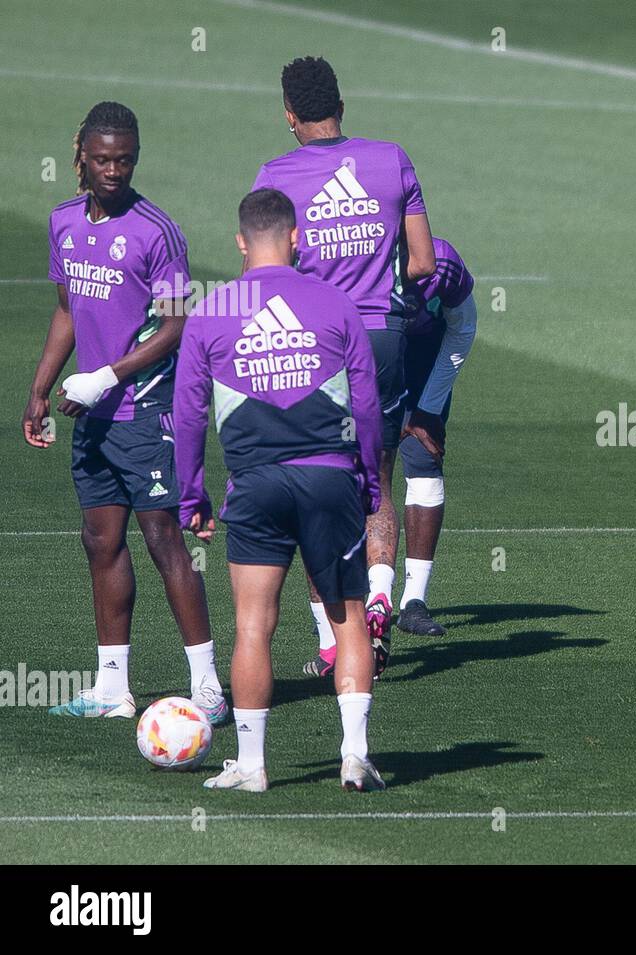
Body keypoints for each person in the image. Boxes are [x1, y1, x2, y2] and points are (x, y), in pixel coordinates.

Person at [175, 188, 386, 791]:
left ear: (241, 241)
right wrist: (369, 481)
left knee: (251, 624)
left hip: (255, 486)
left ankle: (252, 765)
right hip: (329, 481)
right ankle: (354, 755)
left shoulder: (213, 309)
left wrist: (193, 497)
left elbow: (188, 415)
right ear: (296, 238)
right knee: (347, 619)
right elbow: (366, 406)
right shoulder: (336, 302)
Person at [27, 101, 225, 723]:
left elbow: (175, 325)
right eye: (105, 159)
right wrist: (41, 387)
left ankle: (209, 689)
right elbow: (66, 309)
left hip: (144, 411)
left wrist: (105, 377)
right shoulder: (63, 222)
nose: (116, 170)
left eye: (127, 159)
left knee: (164, 538)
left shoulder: (155, 231)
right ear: (81, 155)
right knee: (100, 541)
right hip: (93, 416)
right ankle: (112, 690)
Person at [250, 56, 435, 678]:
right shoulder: (391, 159)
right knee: (377, 473)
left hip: (312, 342)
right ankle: (380, 598)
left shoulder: (275, 174)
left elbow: (269, 274)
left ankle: (332, 643)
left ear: (289, 115)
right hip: (381, 338)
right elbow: (422, 264)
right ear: (342, 107)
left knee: (313, 482)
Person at [394, 237, 477, 637]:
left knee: (424, 460)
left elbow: (463, 328)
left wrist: (427, 407)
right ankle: (365, 597)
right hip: (361, 358)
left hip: (425, 360)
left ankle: (413, 601)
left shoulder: (442, 261)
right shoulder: (352, 263)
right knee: (358, 469)